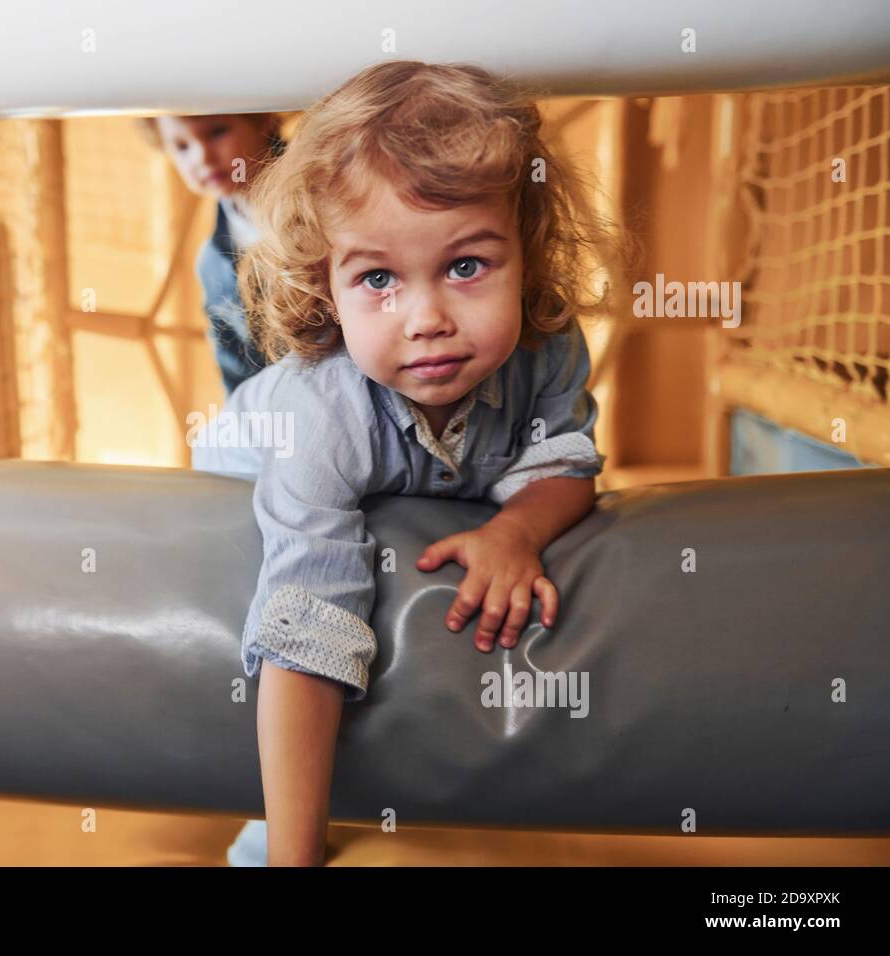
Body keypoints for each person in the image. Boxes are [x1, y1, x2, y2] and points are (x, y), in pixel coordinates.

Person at [192, 60, 626, 866]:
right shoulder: (319, 414)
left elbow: (566, 459)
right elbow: (304, 623)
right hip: (241, 466)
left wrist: (517, 530)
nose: (426, 318)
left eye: (466, 266)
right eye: (379, 278)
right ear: (326, 288)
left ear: (527, 255)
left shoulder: (547, 347)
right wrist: (296, 853)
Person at [138, 113, 285, 394]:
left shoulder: (326, 192)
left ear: (262, 119)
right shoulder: (212, 265)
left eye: (217, 132)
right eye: (181, 147)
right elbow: (237, 373)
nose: (202, 158)